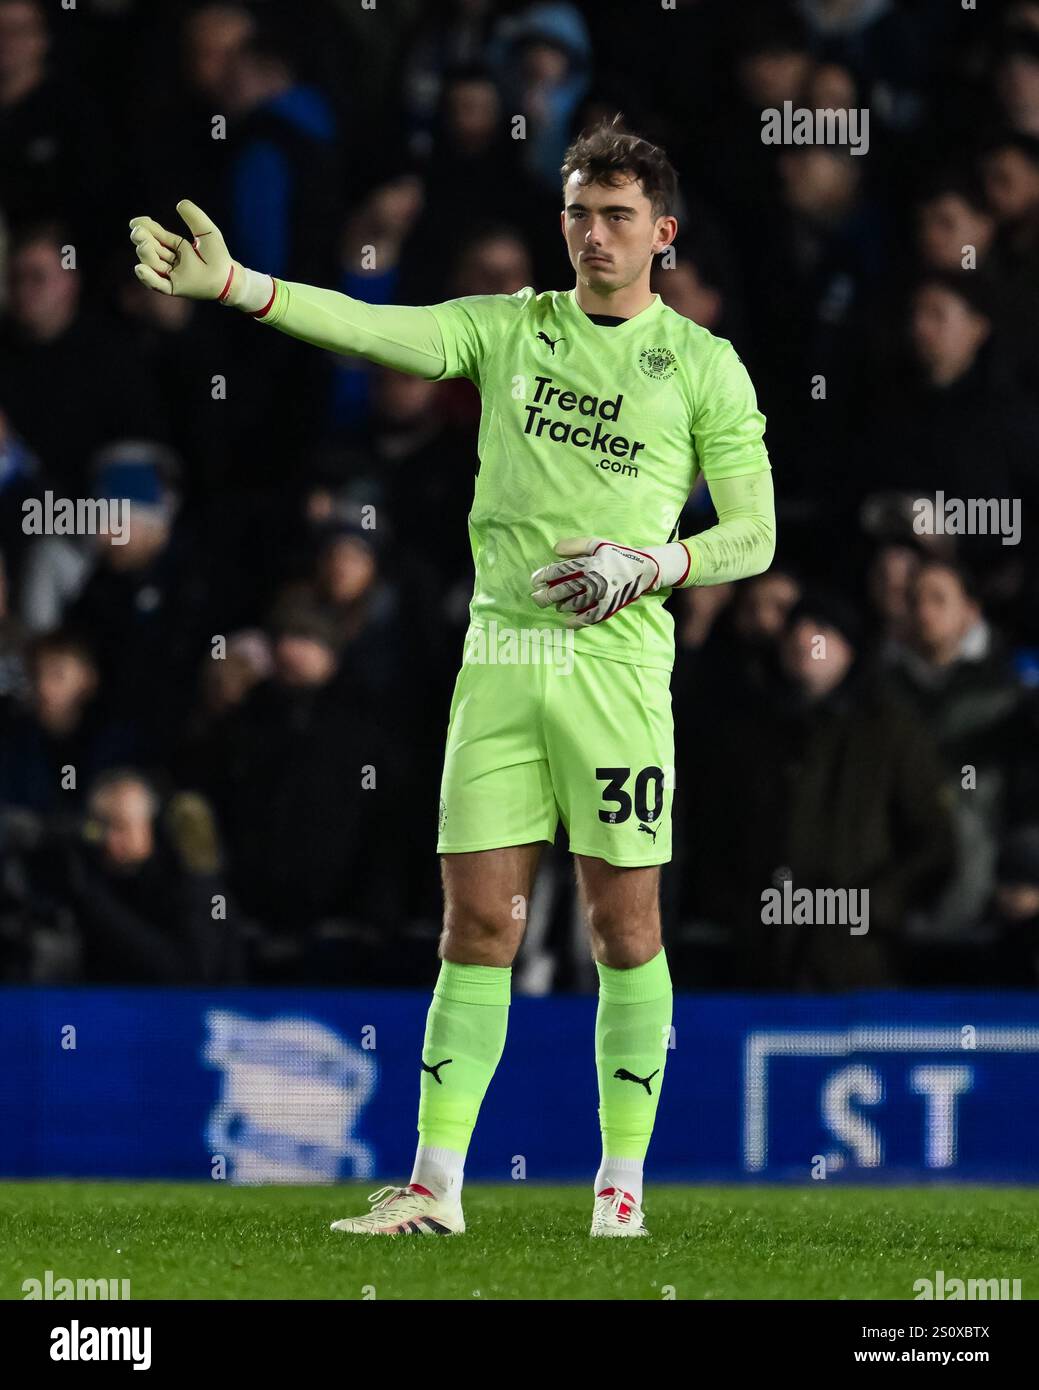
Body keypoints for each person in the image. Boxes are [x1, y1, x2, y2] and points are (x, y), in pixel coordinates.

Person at [128, 116, 776, 1238]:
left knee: (626, 929)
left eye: (618, 215)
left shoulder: (704, 365)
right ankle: (436, 1185)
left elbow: (756, 533)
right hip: (498, 664)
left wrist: (656, 561)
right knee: (477, 926)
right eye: (577, 211)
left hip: (616, 675)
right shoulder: (507, 330)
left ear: (661, 231)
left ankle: (619, 1185)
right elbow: (376, 331)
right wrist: (240, 285)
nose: (593, 234)